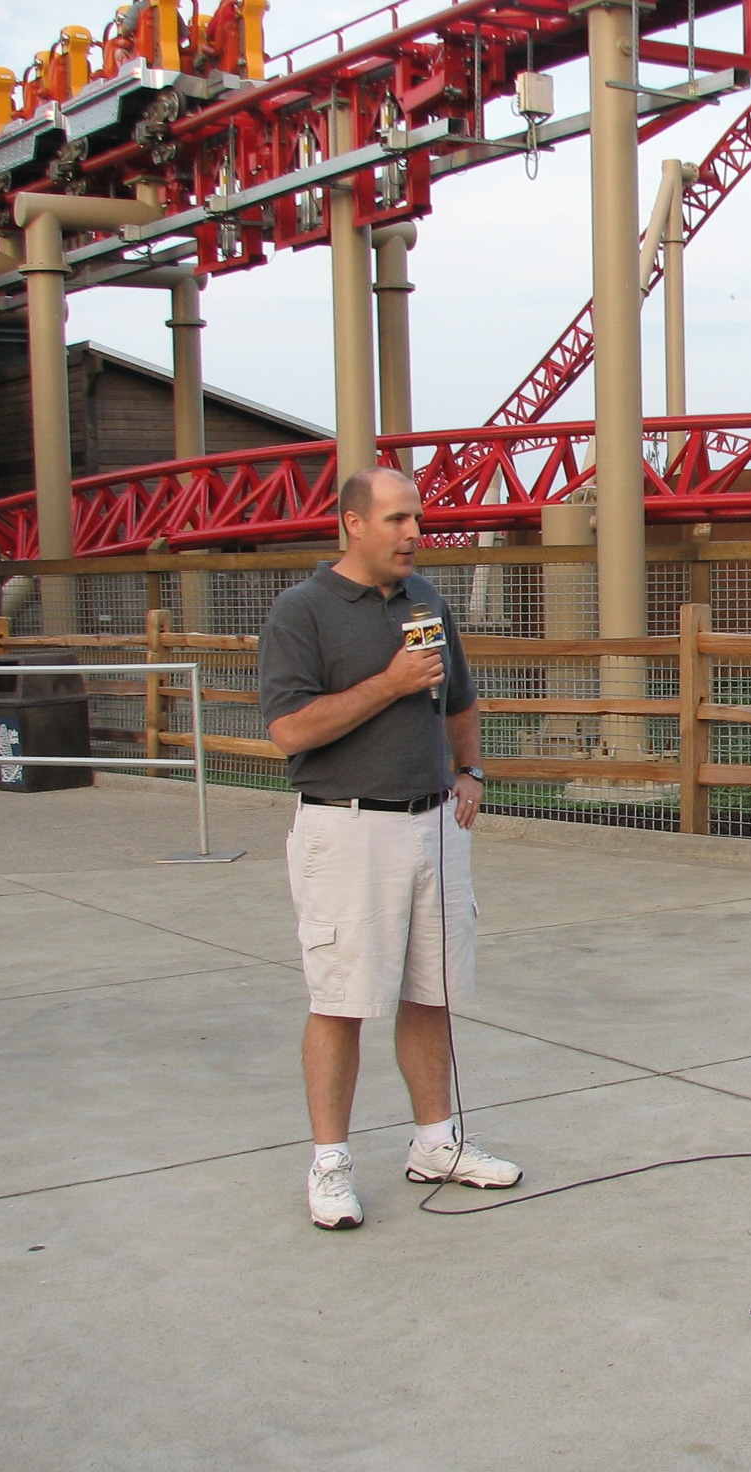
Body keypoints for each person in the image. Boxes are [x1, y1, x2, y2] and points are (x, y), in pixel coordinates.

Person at [259, 466, 521, 1232]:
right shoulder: (301, 613)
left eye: (418, 519)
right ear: (353, 524)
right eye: (400, 519)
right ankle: (330, 1163)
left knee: (429, 989)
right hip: (346, 829)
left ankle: (436, 1143)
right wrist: (389, 682)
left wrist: (468, 771)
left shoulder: (428, 602)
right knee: (342, 1000)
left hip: (434, 824)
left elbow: (460, 700)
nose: (415, 533)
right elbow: (289, 732)